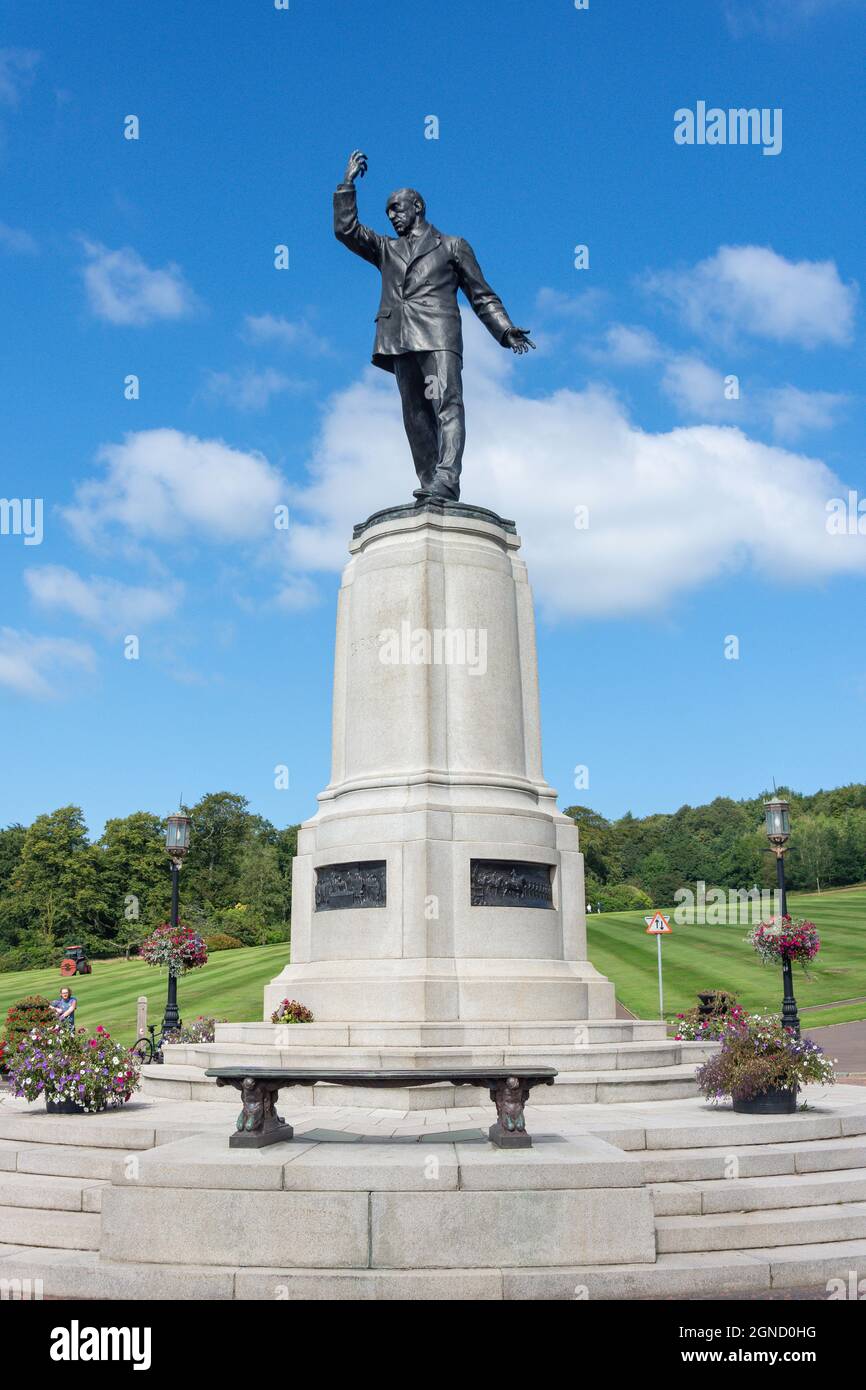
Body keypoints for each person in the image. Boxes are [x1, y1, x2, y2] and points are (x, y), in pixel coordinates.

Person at [334, 150, 535, 502]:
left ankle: (447, 478)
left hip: (439, 333)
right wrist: (347, 185)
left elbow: (480, 294)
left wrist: (504, 328)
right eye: (388, 212)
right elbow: (346, 230)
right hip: (398, 338)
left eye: (397, 208)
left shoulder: (453, 246)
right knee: (414, 414)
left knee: (447, 404)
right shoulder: (385, 248)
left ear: (418, 207)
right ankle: (431, 483)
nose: (392, 216)